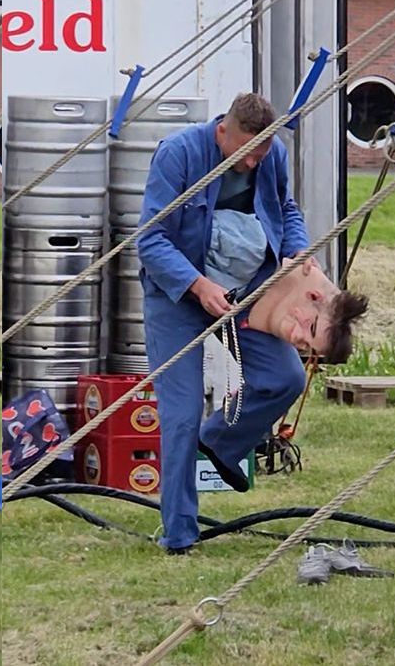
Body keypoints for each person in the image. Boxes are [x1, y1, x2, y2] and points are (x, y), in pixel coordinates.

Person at [137, 93, 367, 555]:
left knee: (286, 377)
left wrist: (296, 247)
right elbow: (151, 240)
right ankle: (180, 534)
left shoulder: (271, 154)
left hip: (245, 290)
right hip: (179, 295)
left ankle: (220, 442)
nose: (252, 163)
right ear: (222, 130)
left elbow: (286, 209)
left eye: (260, 154)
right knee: (181, 415)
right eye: (245, 153)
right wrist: (198, 285)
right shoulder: (178, 154)